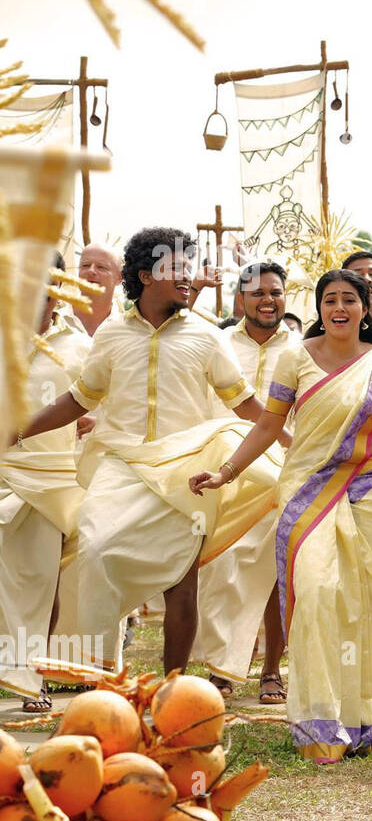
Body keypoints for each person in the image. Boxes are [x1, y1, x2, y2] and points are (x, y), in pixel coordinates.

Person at [190, 269, 372, 761]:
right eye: (330, 300)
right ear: (319, 308)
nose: (340, 308)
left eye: (351, 299)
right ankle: (318, 719)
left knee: (364, 601)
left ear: (367, 308)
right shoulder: (295, 357)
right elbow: (267, 424)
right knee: (319, 593)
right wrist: (226, 472)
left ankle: (366, 722)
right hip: (306, 492)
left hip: (370, 491)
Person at [17, 228, 277, 674]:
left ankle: (173, 685)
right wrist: (18, 431)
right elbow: (78, 399)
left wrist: (294, 439)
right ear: (144, 275)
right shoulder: (112, 334)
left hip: (187, 473)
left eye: (187, 266)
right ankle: (101, 683)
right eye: (174, 267)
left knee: (181, 584)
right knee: (97, 552)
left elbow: (247, 404)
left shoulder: (207, 335)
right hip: (118, 468)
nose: (186, 275)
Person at [192, 262, 300, 702]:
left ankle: (271, 670)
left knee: (276, 574)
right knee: (220, 569)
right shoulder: (218, 342)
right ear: (240, 300)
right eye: (257, 293)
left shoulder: (304, 348)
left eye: (276, 292)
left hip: (283, 472)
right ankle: (223, 666)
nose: (267, 300)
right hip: (224, 472)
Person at [0, 281, 93, 709]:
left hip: (51, 478)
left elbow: (96, 395)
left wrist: (90, 420)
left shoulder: (78, 342)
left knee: (41, 582)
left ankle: (31, 675)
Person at [72, 243, 123, 336]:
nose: (91, 271)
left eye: (101, 267)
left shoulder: (127, 328)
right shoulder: (54, 319)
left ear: (119, 278)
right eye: (85, 265)